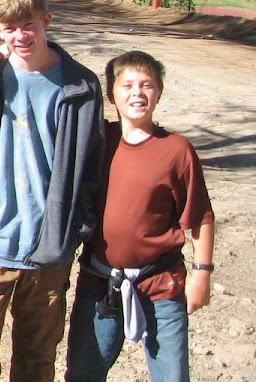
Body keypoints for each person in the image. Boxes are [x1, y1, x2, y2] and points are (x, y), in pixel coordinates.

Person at [0, 0, 104, 382]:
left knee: (37, 361)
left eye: (29, 24)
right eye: (10, 27)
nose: (21, 35)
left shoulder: (81, 87)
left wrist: (76, 228)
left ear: (47, 20)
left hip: (49, 248)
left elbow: (91, 167)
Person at [65, 51, 214, 382]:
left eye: (147, 85)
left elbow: (201, 216)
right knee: (82, 374)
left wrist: (202, 274)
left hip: (160, 285)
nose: (137, 93)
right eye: (127, 84)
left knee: (172, 376)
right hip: (99, 284)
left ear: (158, 92)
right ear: (111, 93)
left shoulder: (176, 150)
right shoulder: (98, 142)